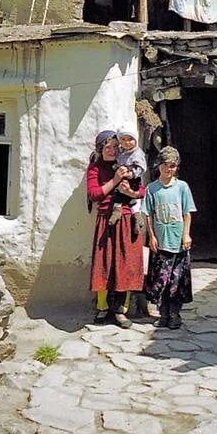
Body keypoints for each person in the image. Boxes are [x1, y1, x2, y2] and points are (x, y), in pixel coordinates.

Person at [86, 129, 144, 327]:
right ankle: (102, 307)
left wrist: (132, 193)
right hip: (106, 219)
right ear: (100, 149)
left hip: (126, 218)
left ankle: (121, 310)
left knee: (125, 264)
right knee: (104, 263)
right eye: (107, 147)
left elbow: (142, 189)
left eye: (115, 147)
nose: (111, 150)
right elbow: (94, 194)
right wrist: (115, 180)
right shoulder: (95, 168)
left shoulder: (127, 164)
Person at [142, 146, 195, 329]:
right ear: (159, 166)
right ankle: (162, 313)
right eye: (165, 165)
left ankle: (174, 314)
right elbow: (148, 213)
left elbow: (187, 212)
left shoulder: (182, 187)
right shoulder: (152, 189)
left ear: (176, 167)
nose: (168, 169)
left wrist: (186, 234)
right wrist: (151, 237)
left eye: (172, 166)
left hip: (178, 242)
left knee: (176, 280)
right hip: (160, 241)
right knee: (160, 279)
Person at [112, 127, 147, 226]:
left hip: (133, 179)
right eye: (123, 139)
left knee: (134, 199)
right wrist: (116, 167)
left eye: (130, 139)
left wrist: (131, 174)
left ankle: (136, 216)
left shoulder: (138, 153)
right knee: (117, 193)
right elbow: (118, 162)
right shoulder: (121, 152)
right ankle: (117, 211)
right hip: (122, 177)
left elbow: (141, 167)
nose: (126, 142)